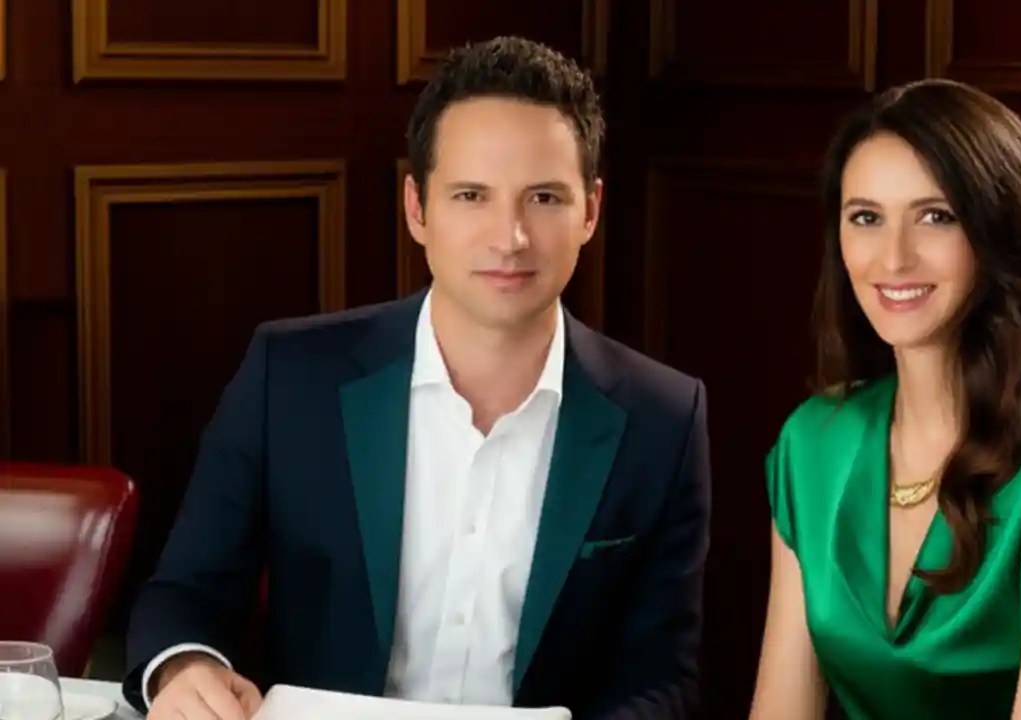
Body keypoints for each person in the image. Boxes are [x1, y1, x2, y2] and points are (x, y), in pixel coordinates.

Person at [124, 36, 711, 720]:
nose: (510, 236)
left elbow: (663, 679)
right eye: (471, 195)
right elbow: (182, 595)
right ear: (417, 208)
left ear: (591, 210)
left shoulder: (664, 417)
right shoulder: (289, 377)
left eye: (544, 197)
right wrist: (185, 666)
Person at [749, 79, 1021, 720]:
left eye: (936, 216)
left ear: (995, 230)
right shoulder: (813, 441)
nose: (893, 257)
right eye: (866, 217)